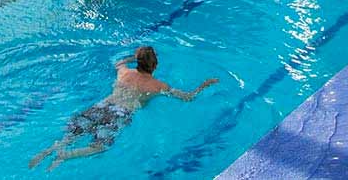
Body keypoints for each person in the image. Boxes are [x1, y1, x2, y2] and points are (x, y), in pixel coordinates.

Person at [29, 47, 216, 170]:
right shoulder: (158, 86)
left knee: (72, 134)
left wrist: (133, 57)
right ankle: (65, 156)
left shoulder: (124, 72)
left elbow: (118, 62)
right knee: (99, 146)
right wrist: (203, 86)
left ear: (137, 62)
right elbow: (187, 97)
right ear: (155, 66)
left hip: (103, 105)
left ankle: (51, 149)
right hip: (119, 114)